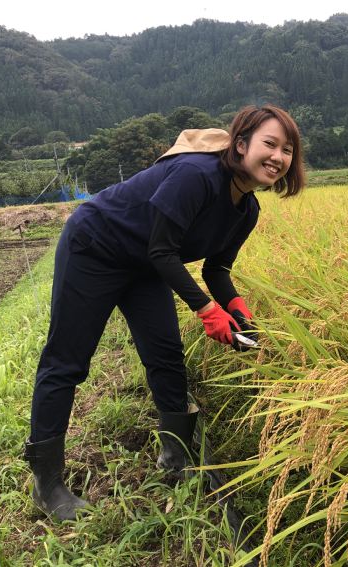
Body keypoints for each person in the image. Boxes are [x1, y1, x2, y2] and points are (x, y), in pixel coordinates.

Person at [24, 105, 306, 521]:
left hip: (145, 265)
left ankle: (175, 459)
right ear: (241, 144)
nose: (278, 157)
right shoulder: (197, 175)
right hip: (95, 247)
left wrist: (237, 310)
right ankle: (47, 485)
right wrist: (206, 310)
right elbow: (162, 249)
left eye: (288, 150)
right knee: (67, 361)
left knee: (166, 356)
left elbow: (216, 269)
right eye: (270, 144)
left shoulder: (247, 211)